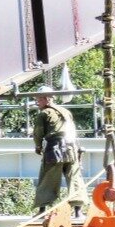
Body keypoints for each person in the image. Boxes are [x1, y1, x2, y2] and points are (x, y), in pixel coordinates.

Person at [33, 85, 88, 217]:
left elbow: (38, 133)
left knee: (47, 179)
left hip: (54, 149)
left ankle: (42, 211)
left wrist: (38, 147)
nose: (37, 102)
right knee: (74, 178)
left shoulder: (43, 114)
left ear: (47, 99)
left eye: (39, 99)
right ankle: (78, 211)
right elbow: (72, 130)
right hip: (71, 148)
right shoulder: (65, 111)